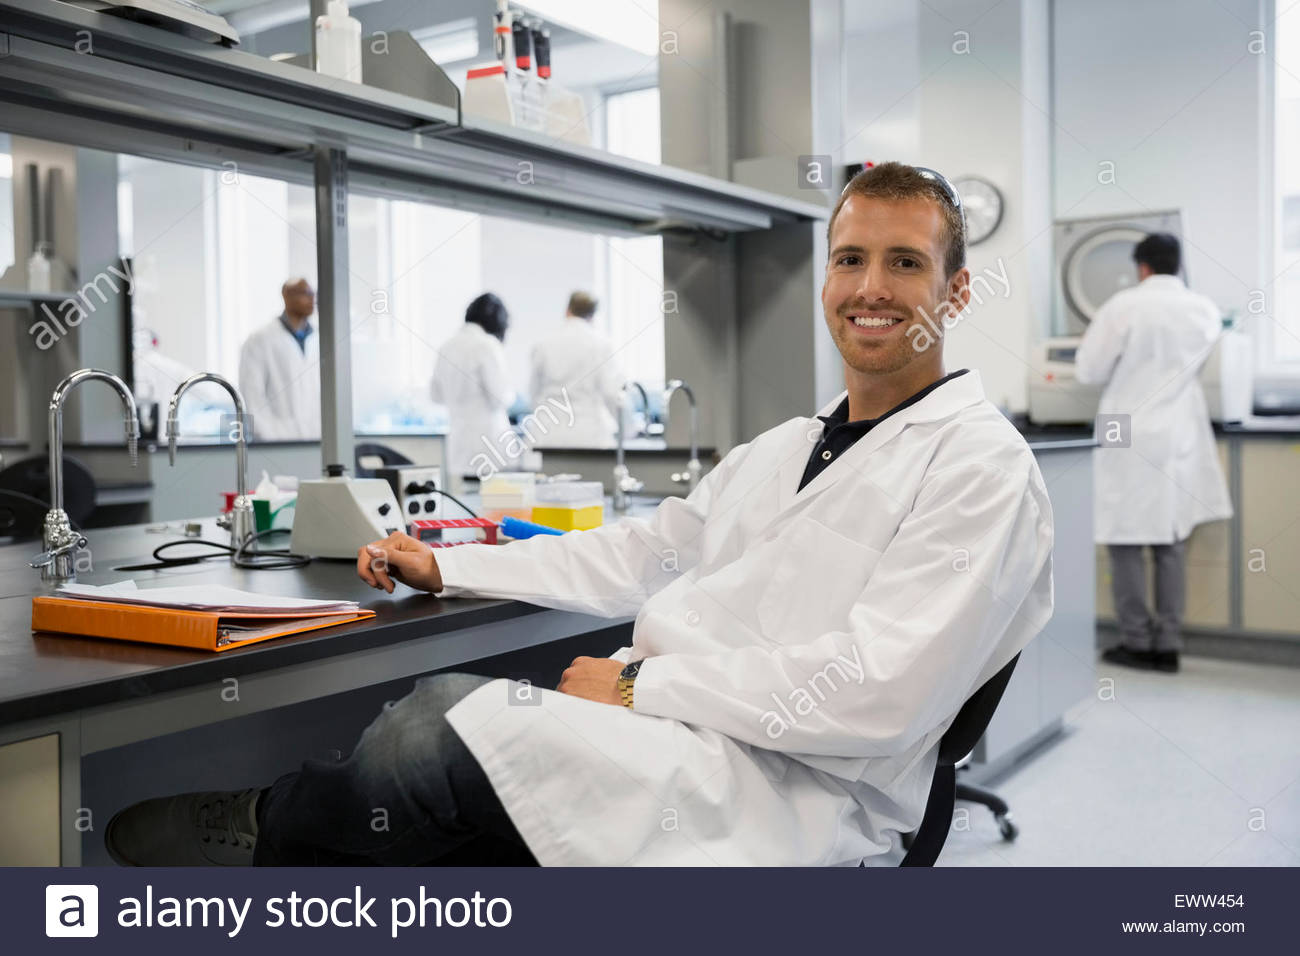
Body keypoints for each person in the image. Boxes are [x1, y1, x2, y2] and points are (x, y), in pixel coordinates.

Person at [104, 162, 1054, 867]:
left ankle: (270, 827)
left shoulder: (982, 465)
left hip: (799, 792)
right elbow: (643, 552)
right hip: (686, 738)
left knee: (435, 725)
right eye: (851, 258)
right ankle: (296, 833)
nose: (872, 288)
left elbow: (877, 691)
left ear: (955, 290)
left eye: (905, 263)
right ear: (827, 282)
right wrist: (457, 563)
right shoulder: (785, 446)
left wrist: (645, 690)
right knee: (446, 771)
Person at [1075, 233, 1232, 673]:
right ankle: (1167, 643)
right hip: (1179, 427)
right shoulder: (1204, 310)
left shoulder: (1122, 306)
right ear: (1177, 265)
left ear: (1142, 266)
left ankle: (1135, 640)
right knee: (1170, 539)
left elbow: (1089, 370)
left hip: (1124, 425)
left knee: (1122, 536)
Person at [430, 293, 520, 480]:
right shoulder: (487, 345)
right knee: (496, 503)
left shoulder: (446, 346)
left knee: (470, 500)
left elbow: (435, 396)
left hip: (460, 444)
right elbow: (500, 398)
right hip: (490, 443)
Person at [529, 290, 624, 447]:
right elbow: (612, 394)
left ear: (568, 310)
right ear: (592, 316)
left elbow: (534, 392)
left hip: (548, 434)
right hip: (588, 435)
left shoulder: (543, 344)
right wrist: (628, 430)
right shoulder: (601, 345)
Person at [237, 278, 321, 440]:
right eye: (304, 293)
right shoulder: (260, 339)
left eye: (313, 294)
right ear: (286, 296)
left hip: (316, 438)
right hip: (277, 439)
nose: (312, 299)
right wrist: (267, 435)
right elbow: (251, 394)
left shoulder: (320, 338)